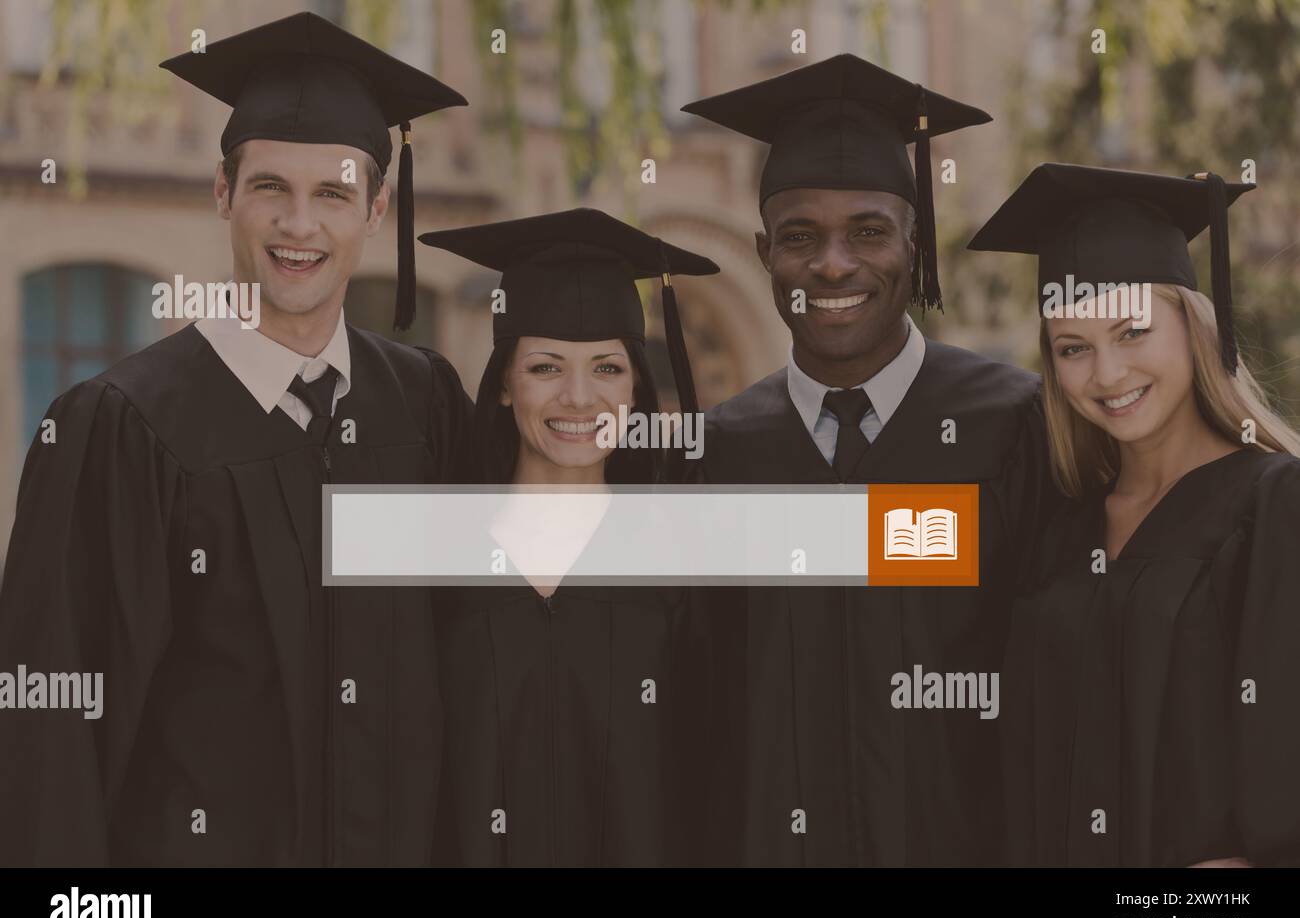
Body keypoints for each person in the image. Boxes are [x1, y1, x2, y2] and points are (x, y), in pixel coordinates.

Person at [0, 12, 473, 865]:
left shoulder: (422, 405)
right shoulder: (117, 427)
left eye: (332, 193)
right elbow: (52, 745)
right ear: (223, 192)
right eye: (269, 188)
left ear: (375, 209)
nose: (300, 225)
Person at [679, 53, 1058, 865]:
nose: (834, 264)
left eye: (869, 231)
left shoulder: (1009, 426)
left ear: (914, 244)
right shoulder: (722, 450)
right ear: (762, 252)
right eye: (800, 237)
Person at [969, 162, 1300, 866]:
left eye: (1132, 331)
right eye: (1073, 349)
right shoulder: (1059, 529)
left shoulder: (1274, 504)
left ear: (1193, 324)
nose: (1108, 375)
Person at [418, 208, 717, 865]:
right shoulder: (440, 560)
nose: (579, 397)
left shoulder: (679, 561)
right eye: (546, 367)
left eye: (607, 368)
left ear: (637, 386)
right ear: (503, 383)